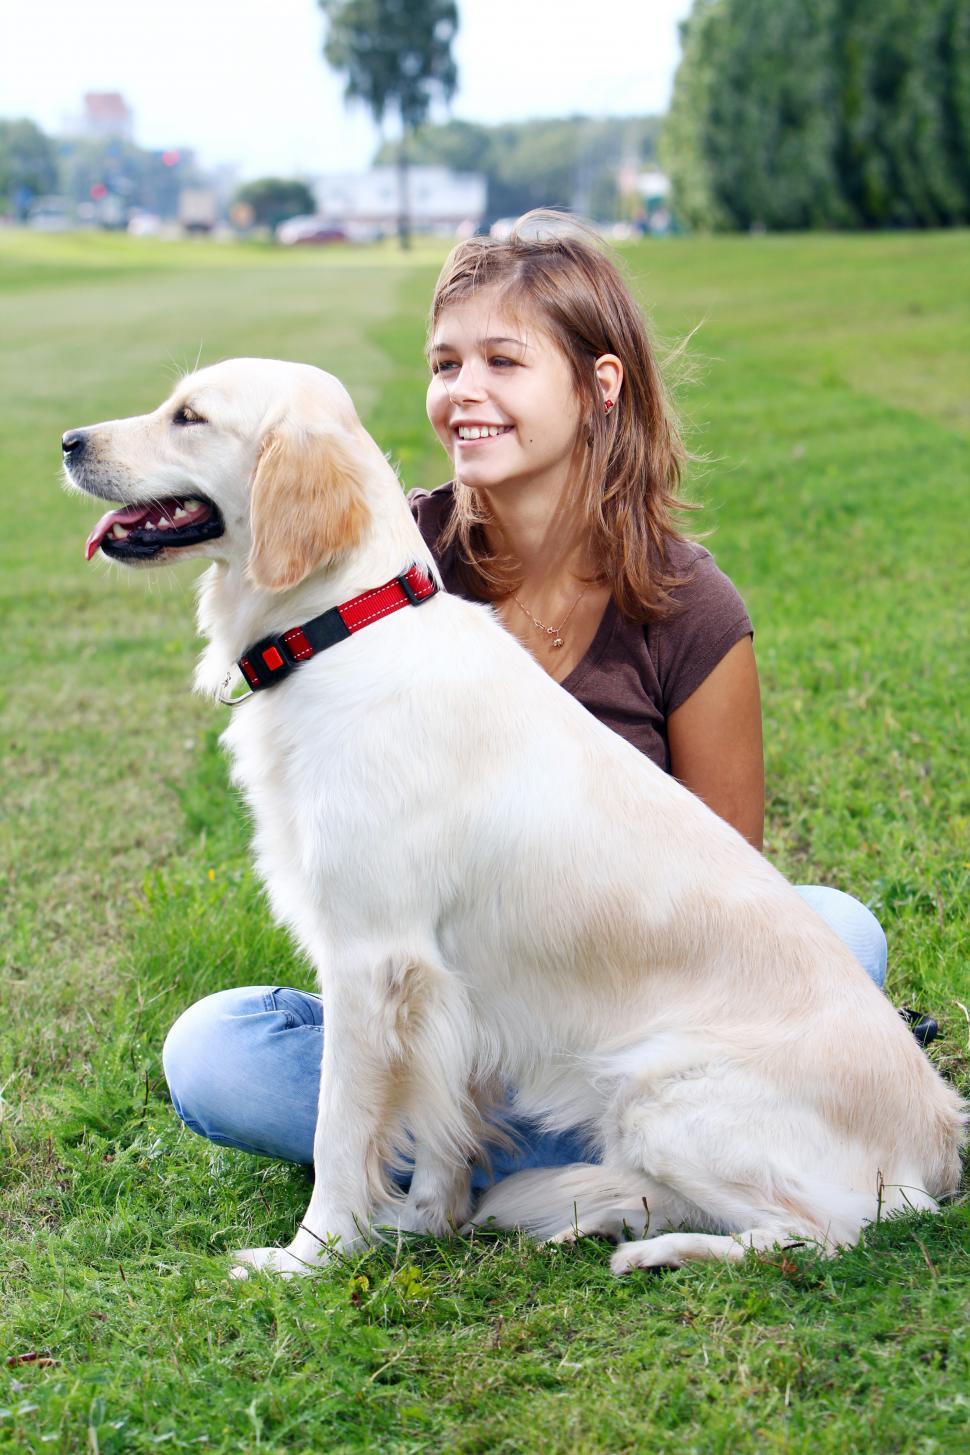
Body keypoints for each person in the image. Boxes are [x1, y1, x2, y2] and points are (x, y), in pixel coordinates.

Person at [162, 212, 889, 1185]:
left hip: (615, 1022)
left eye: (502, 362)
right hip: (443, 1016)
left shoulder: (687, 605)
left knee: (833, 930)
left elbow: (724, 878)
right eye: (445, 363)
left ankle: (529, 1143)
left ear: (599, 387)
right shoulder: (382, 557)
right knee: (216, 1048)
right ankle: (567, 1152)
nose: (463, 393)